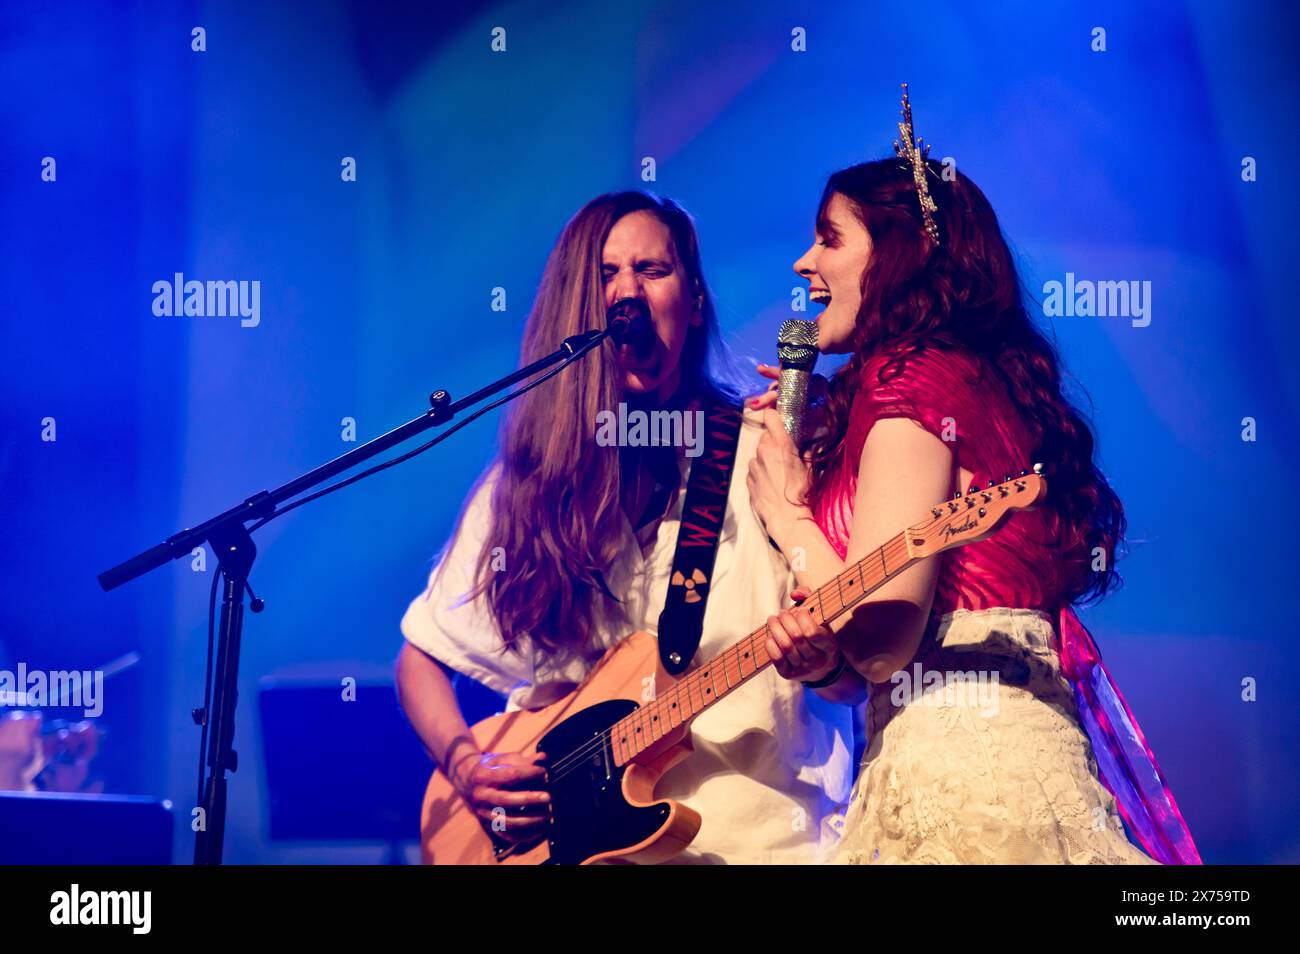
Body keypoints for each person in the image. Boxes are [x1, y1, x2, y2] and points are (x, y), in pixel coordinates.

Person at [744, 89, 1199, 864]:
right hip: (996, 763)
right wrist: (823, 662)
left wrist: (789, 512)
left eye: (829, 238)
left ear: (897, 255)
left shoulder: (913, 379)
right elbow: (877, 661)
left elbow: (885, 641)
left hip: (965, 780)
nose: (804, 263)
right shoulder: (967, 378)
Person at [396, 190, 863, 864]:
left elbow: (854, 676)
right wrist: (468, 765)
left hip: (758, 843)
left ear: (695, 300)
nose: (627, 294)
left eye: (652, 271)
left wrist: (824, 664)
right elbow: (421, 657)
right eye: (605, 275)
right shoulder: (526, 484)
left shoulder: (770, 449)